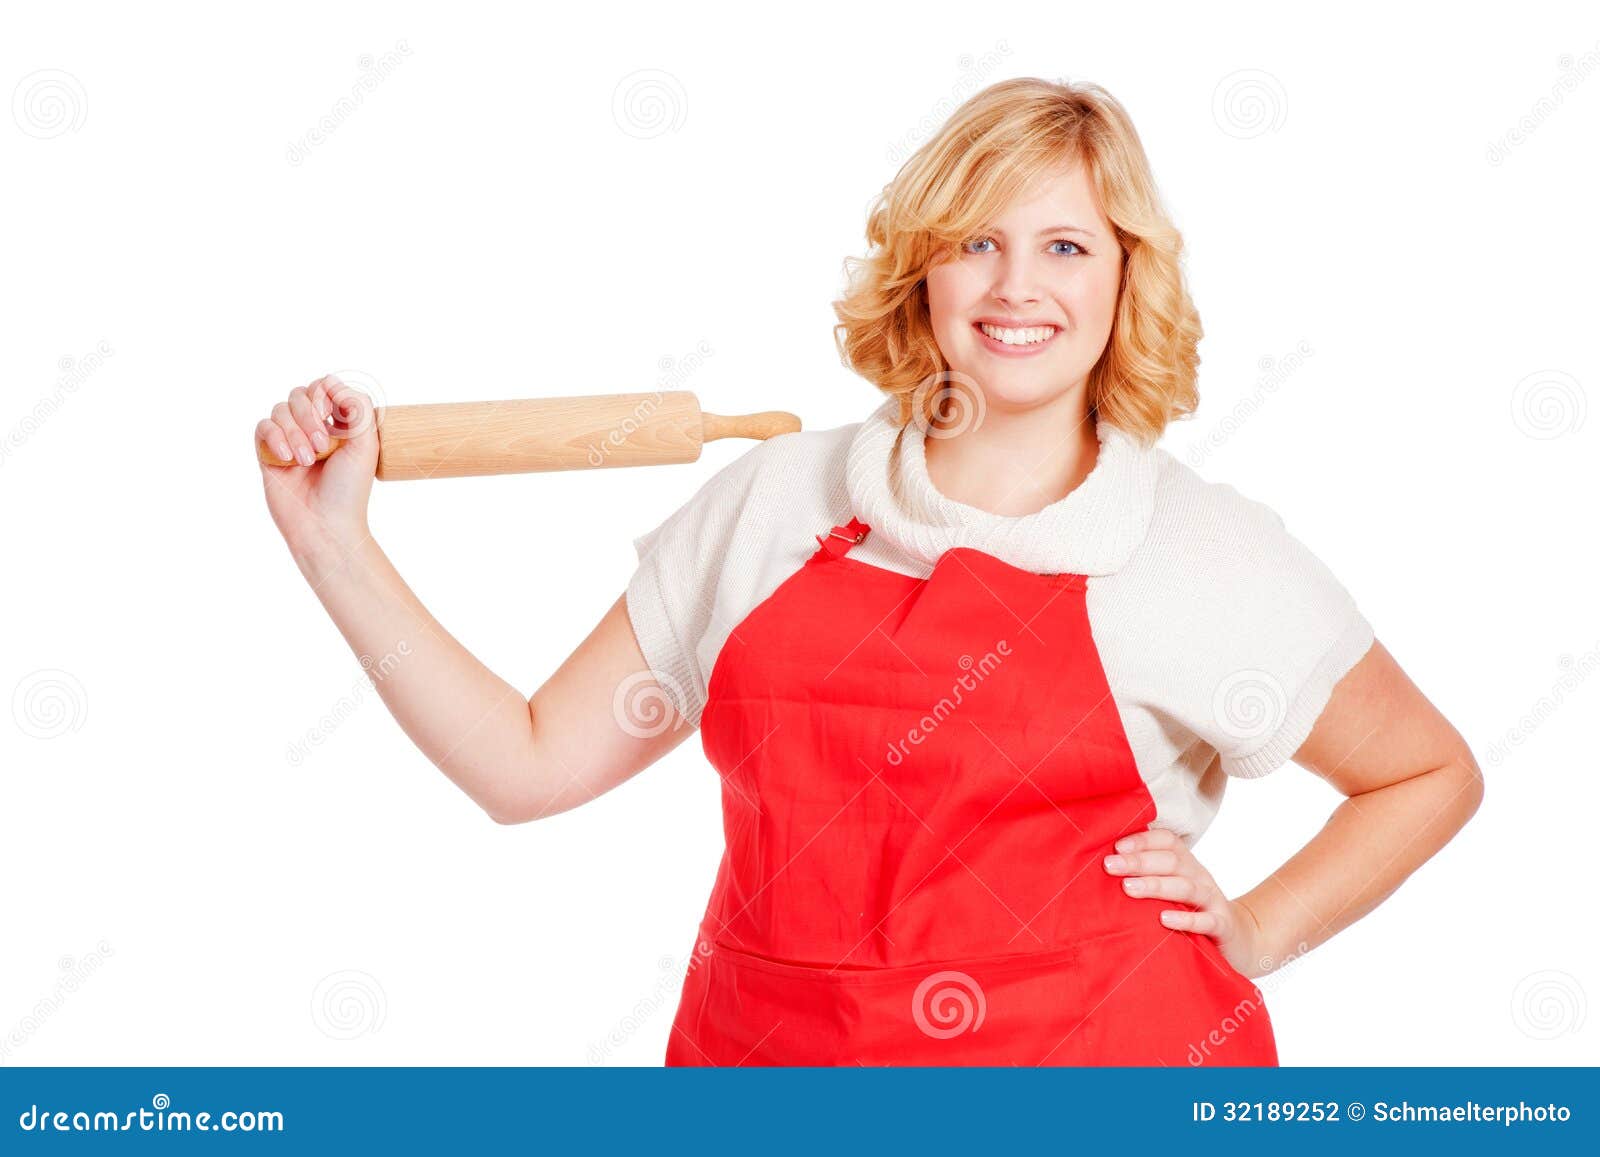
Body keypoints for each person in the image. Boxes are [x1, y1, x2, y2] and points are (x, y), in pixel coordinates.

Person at [254, 76, 1484, 1067]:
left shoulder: (1196, 550)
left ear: (1124, 282)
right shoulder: (774, 501)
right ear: (922, 271)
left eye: (1065, 245)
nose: (1015, 287)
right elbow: (523, 765)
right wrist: (333, 542)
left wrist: (1258, 926)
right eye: (975, 242)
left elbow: (1428, 771)